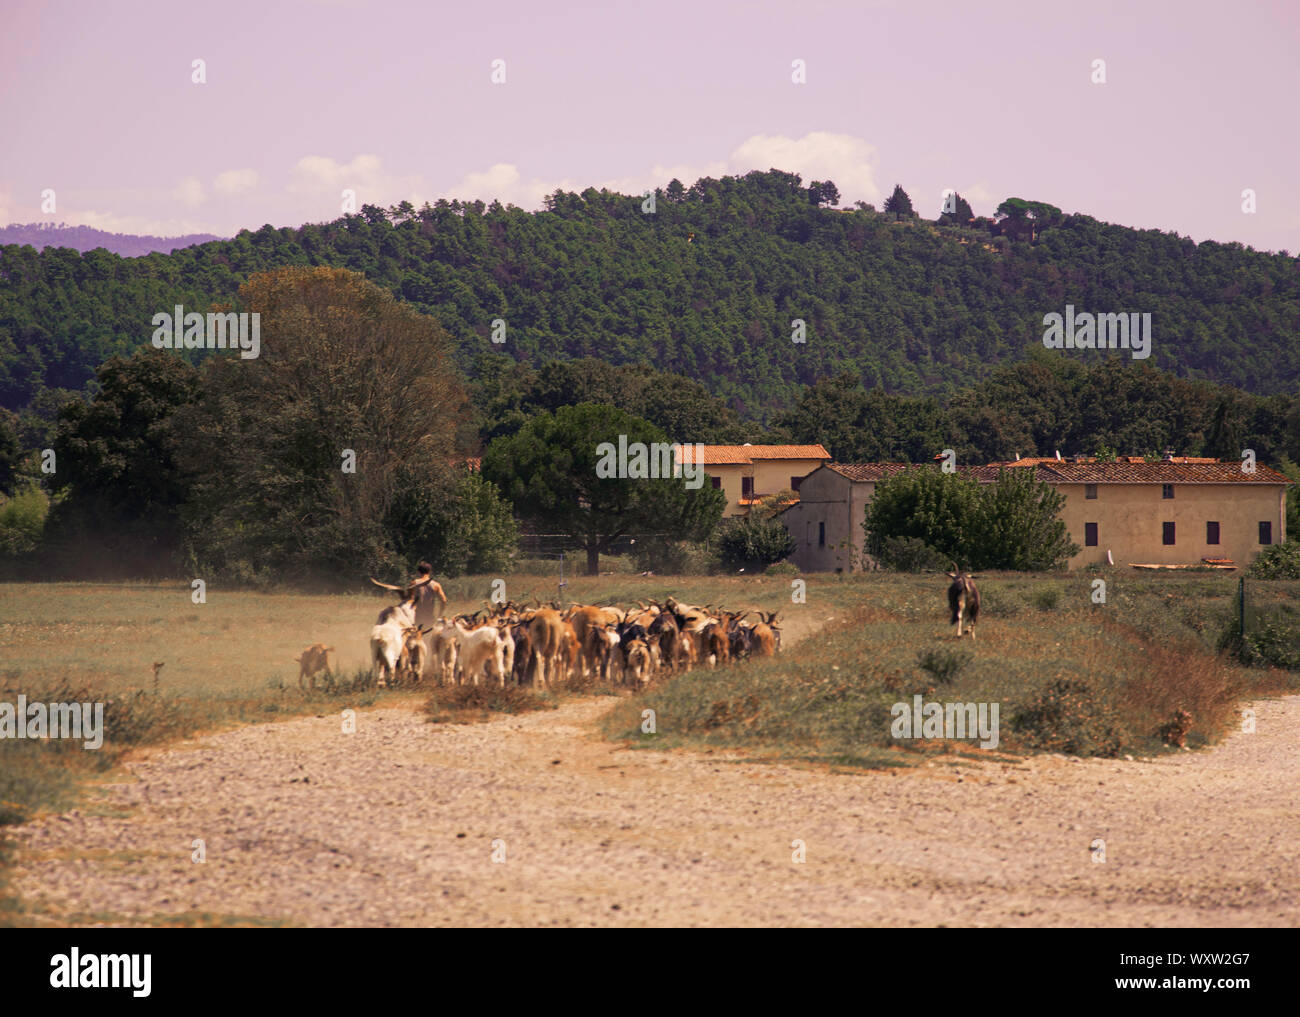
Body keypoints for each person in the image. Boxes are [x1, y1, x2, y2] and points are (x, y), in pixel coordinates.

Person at [410, 561, 447, 626]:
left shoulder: (414, 583)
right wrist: (439, 615)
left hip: (417, 617)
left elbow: (409, 600)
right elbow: (444, 600)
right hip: (429, 616)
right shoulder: (436, 585)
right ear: (429, 571)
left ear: (419, 572)